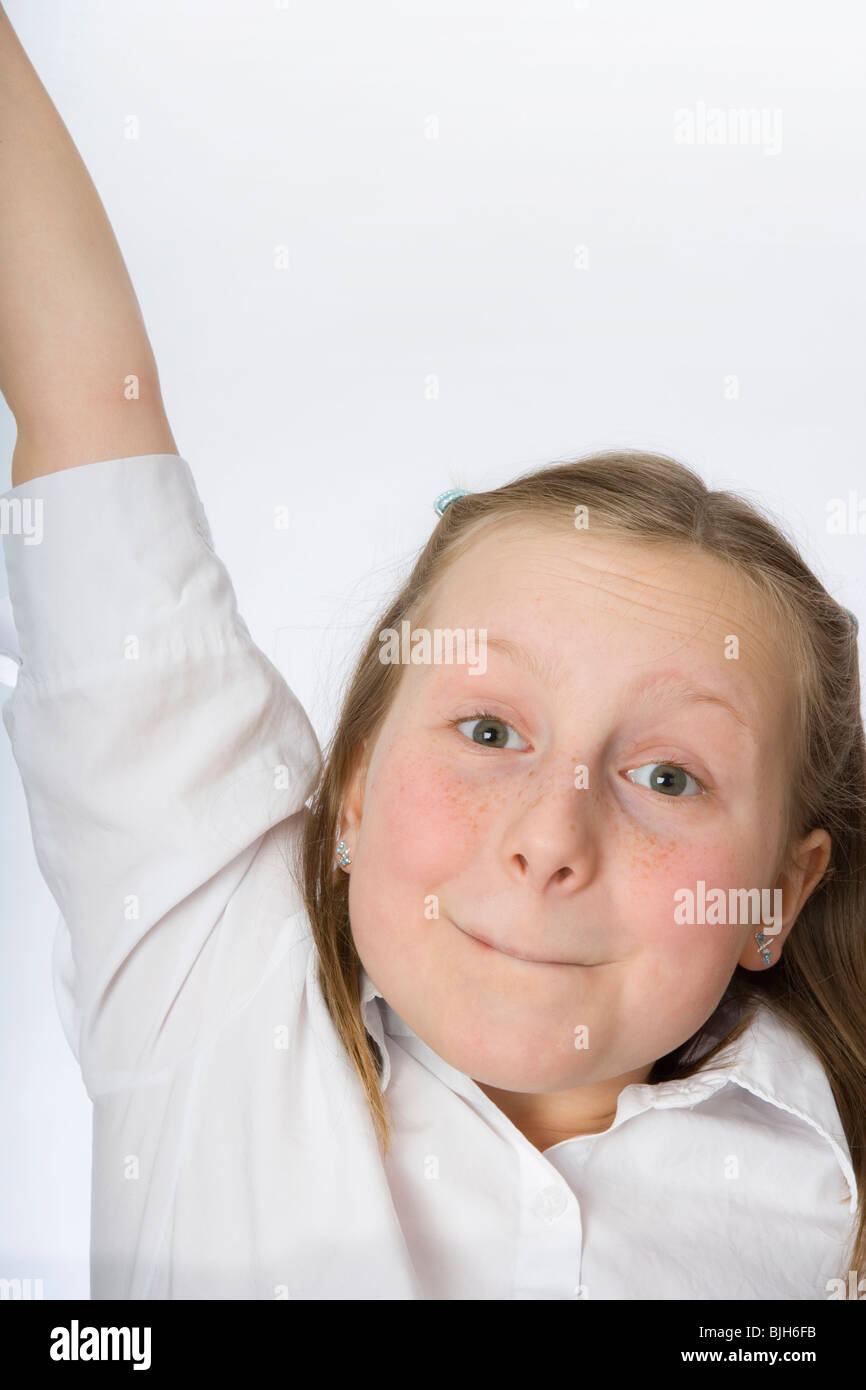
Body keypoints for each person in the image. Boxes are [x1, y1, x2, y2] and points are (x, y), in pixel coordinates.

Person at [2, 6, 864, 1300]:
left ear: (778, 897)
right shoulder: (218, 965)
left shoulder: (827, 1197)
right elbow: (79, 378)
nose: (550, 834)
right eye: (488, 730)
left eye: (670, 776)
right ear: (350, 789)